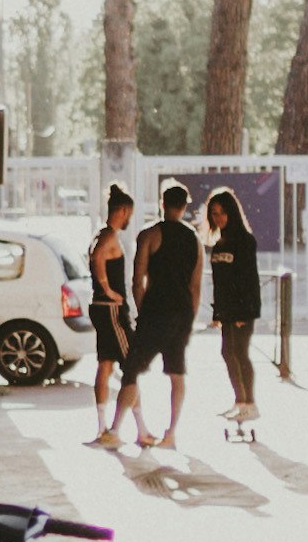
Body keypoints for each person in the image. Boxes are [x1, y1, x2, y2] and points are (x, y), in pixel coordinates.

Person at [130, 183, 201, 457]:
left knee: (132, 369)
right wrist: (190, 319)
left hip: (154, 311)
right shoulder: (194, 240)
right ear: (184, 207)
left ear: (162, 203)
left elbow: (138, 280)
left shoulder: (149, 234)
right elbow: (195, 287)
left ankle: (141, 427)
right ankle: (171, 432)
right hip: (181, 312)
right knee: (176, 373)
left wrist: (141, 309)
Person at [201, 183, 264, 433]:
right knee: (228, 353)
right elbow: (219, 282)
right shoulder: (218, 245)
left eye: (222, 212)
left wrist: (243, 312)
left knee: (241, 353)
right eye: (214, 213)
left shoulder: (245, 241)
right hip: (226, 310)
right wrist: (218, 313)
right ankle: (239, 401)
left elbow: (249, 279)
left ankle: (251, 402)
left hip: (243, 309)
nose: (219, 217)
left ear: (232, 212)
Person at [83, 178, 139, 448]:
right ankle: (135, 429)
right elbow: (97, 259)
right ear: (124, 211)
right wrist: (108, 288)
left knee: (105, 366)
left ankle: (103, 427)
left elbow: (94, 256)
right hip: (112, 309)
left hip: (100, 308)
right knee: (132, 368)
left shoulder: (98, 233)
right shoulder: (109, 236)